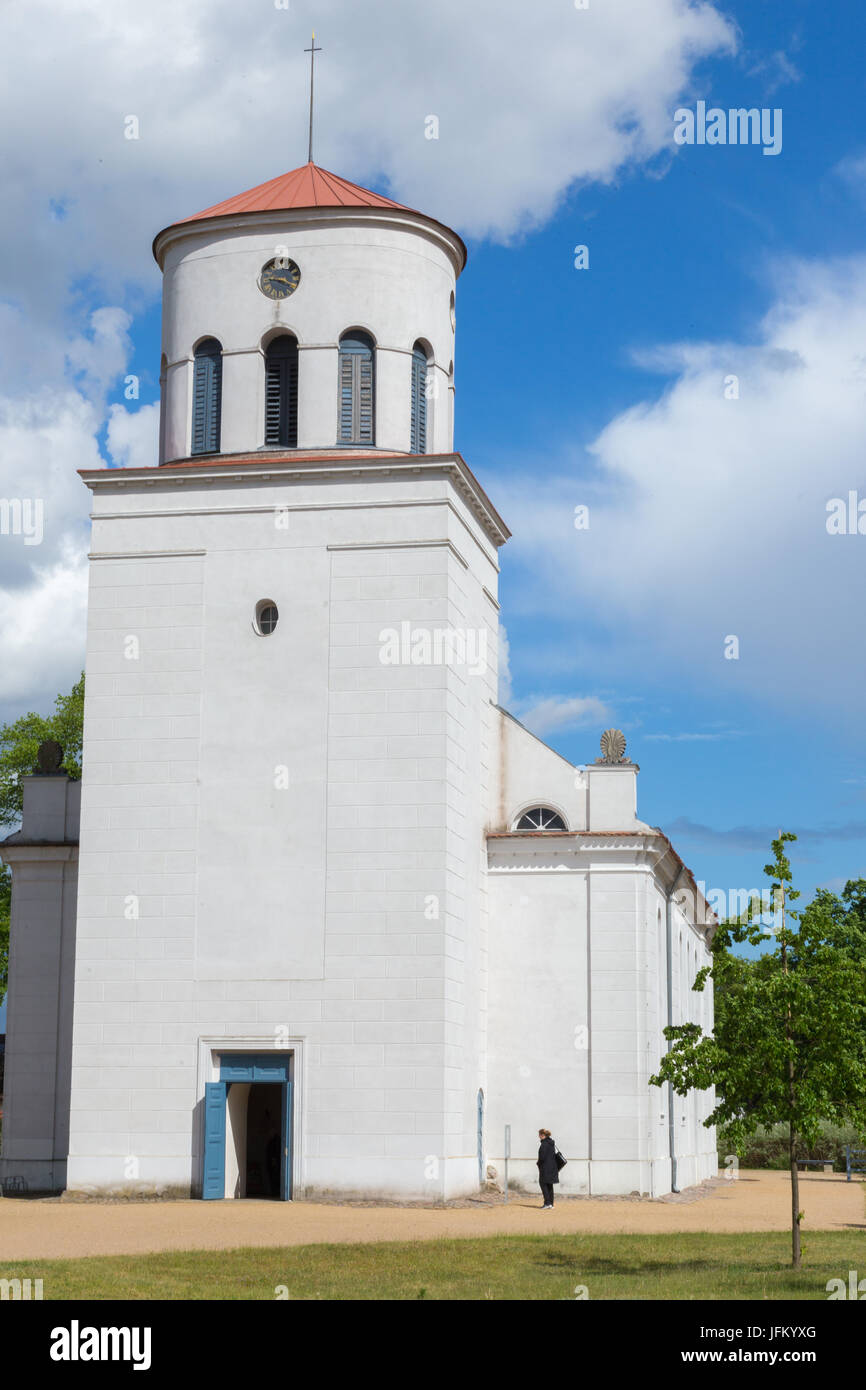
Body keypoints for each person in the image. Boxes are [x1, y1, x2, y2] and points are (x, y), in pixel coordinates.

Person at [537, 1128, 559, 1209]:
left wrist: (538, 1163)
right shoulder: (551, 1143)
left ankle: (547, 1203)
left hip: (545, 1168)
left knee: (543, 1184)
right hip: (553, 1167)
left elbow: (542, 1157)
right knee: (549, 1185)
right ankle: (551, 1204)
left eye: (539, 1135)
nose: (539, 1136)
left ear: (543, 1135)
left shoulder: (544, 1144)